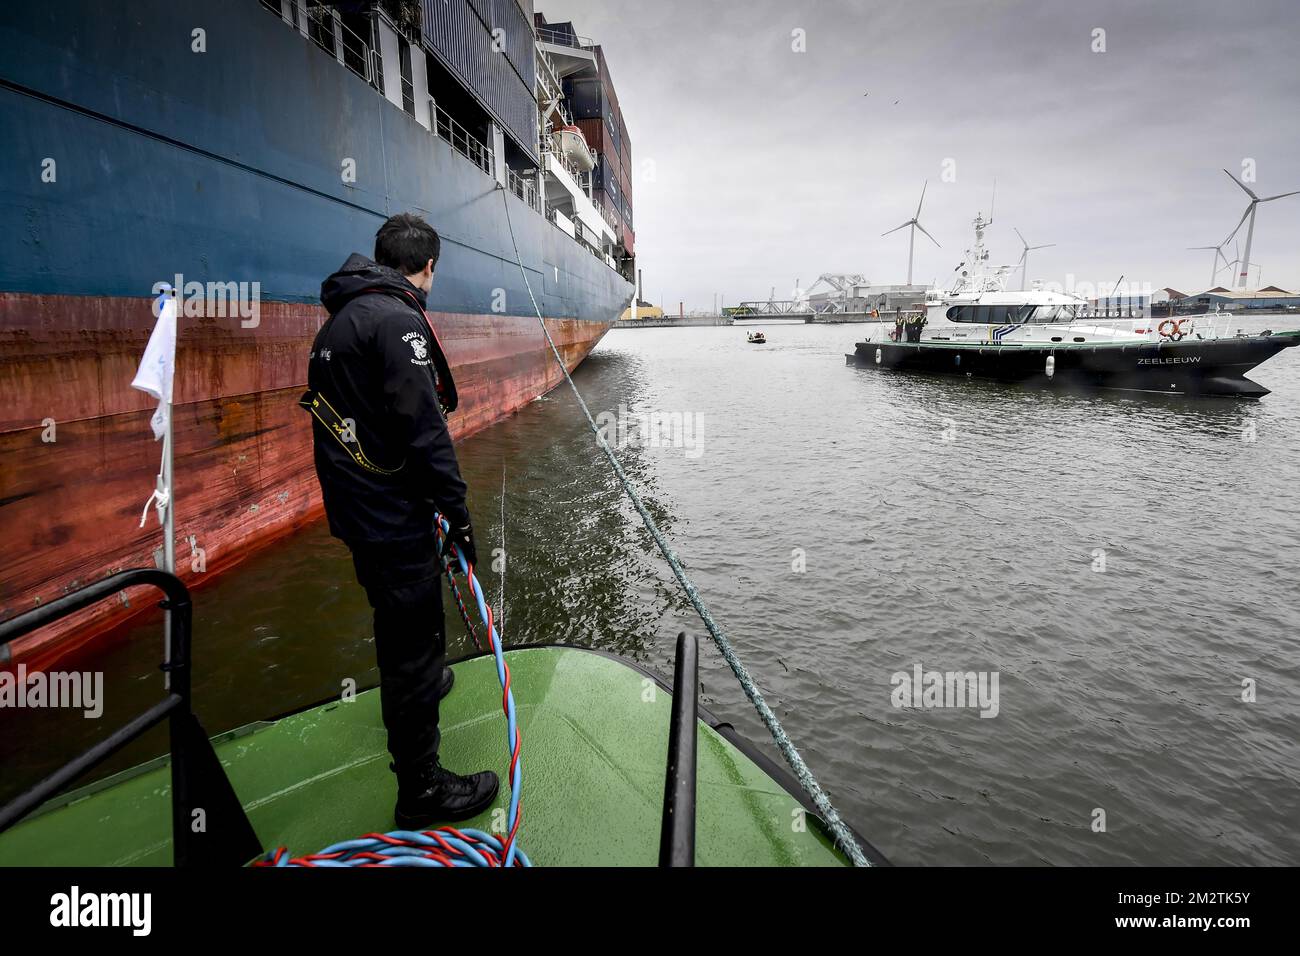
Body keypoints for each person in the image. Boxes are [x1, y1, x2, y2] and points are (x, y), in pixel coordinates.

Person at [302, 212, 499, 829]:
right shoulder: (397, 320)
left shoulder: (343, 317)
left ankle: (422, 682)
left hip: (359, 509)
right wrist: (457, 510)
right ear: (429, 266)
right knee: (413, 640)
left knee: (397, 620)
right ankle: (422, 790)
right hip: (391, 516)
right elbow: (424, 431)